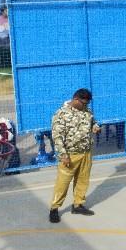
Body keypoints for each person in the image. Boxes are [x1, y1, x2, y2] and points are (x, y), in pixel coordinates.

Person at [48, 88, 100, 223]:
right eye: (84, 103)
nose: (86, 106)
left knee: (83, 180)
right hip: (70, 154)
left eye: (87, 104)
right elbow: (57, 136)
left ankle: (78, 205)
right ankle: (54, 209)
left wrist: (95, 127)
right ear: (76, 99)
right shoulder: (61, 114)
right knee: (63, 183)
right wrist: (63, 154)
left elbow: (93, 122)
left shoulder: (86, 110)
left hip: (86, 152)